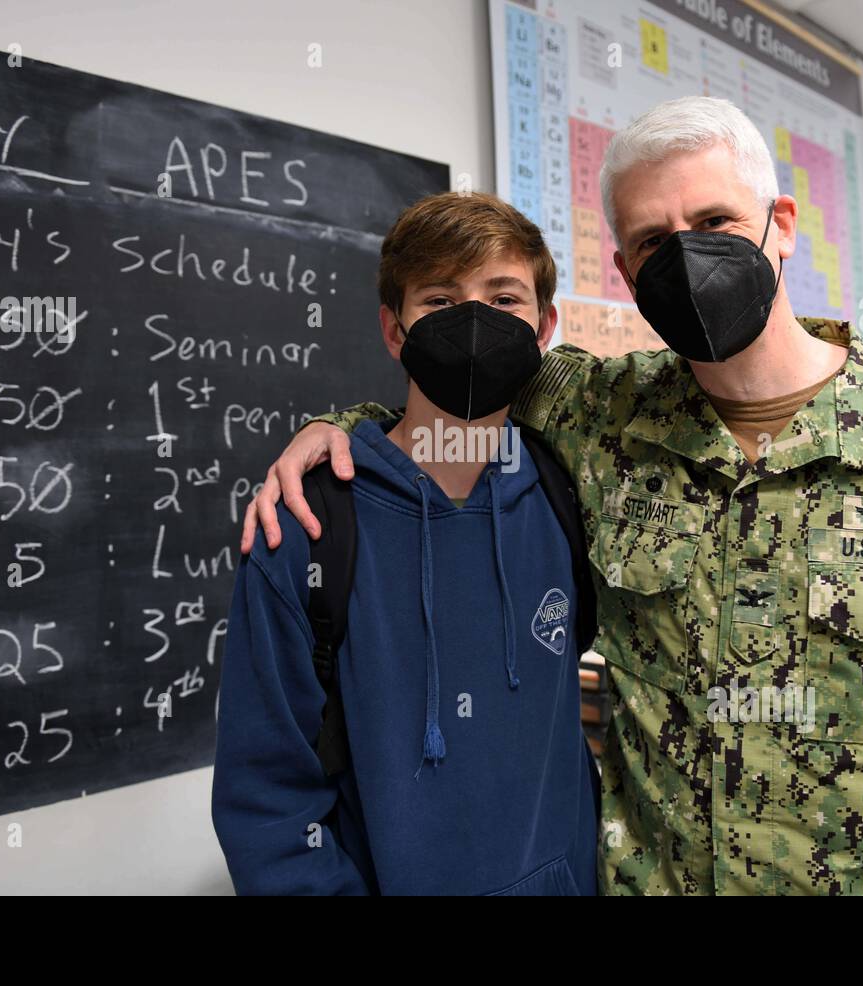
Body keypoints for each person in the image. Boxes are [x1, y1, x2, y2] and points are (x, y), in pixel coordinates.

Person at [242, 97, 863, 895]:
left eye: (713, 221)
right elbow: (459, 379)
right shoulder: (600, 415)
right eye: (655, 241)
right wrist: (340, 428)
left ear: (780, 227)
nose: (688, 254)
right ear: (624, 271)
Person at [211, 190, 600, 895]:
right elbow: (266, 798)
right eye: (441, 301)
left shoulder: (566, 494)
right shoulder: (305, 526)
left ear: (544, 329)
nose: (476, 321)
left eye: (504, 298)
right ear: (395, 332)